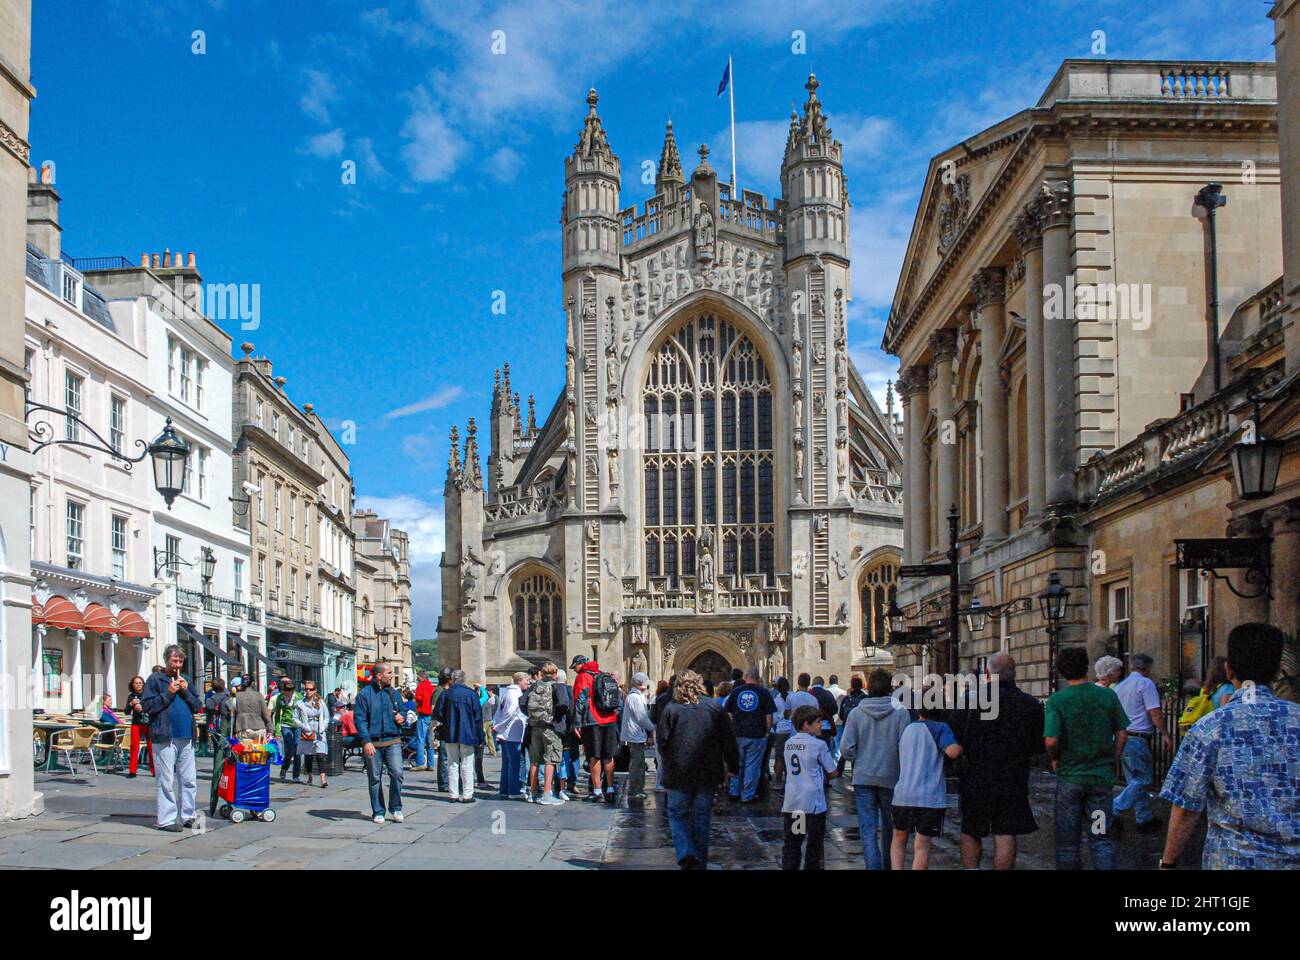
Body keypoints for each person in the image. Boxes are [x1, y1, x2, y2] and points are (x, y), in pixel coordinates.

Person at [1160, 623, 1300, 870]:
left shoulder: (1210, 727)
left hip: (1234, 861)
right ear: (1279, 670)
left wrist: (1168, 862)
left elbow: (1186, 807)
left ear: (1228, 669)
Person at [955, 653, 1045, 871]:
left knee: (971, 829)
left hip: (975, 775)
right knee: (1005, 831)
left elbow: (954, 736)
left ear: (987, 673)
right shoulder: (1030, 705)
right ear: (1015, 674)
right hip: (1012, 775)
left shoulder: (970, 700)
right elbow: (1037, 746)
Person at [1044, 646, 1129, 870]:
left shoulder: (1057, 700)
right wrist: (1113, 758)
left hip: (1070, 778)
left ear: (1061, 670)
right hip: (1100, 780)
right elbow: (1122, 734)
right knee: (1100, 838)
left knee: (1068, 842)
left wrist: (1055, 759)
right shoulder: (1107, 695)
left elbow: (1051, 740)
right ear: (1086, 666)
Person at [655, 670, 739, 869]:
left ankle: (685, 852)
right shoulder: (714, 707)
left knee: (677, 814)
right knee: (701, 818)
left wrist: (667, 763)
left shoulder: (671, 709)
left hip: (678, 773)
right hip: (708, 773)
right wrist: (733, 766)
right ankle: (699, 861)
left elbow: (662, 741)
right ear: (700, 685)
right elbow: (728, 740)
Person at [839, 668, 911, 870]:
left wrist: (860, 759)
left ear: (868, 687)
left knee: (868, 828)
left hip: (863, 779)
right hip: (891, 777)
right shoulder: (901, 713)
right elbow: (906, 746)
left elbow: (845, 748)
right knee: (890, 828)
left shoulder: (856, 713)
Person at [891, 700, 962, 870]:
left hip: (903, 794)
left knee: (899, 839)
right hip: (929, 797)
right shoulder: (940, 728)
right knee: (922, 846)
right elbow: (953, 752)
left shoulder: (908, 728)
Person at [139, 645, 204, 831]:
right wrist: (169, 692)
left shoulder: (186, 679)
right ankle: (166, 819)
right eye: (174, 661)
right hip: (165, 736)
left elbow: (197, 705)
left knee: (189, 778)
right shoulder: (155, 679)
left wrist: (185, 690)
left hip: (186, 736)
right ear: (166, 660)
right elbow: (148, 706)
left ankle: (188, 815)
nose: (177, 665)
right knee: (166, 779)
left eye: (180, 661)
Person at [1110, 652, 1169, 833]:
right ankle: (1113, 808)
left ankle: (1144, 818)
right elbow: (1154, 711)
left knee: (1134, 780)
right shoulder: (1146, 684)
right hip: (1137, 737)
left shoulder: (1120, 686)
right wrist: (1166, 734)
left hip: (1122, 736)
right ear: (1147, 668)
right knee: (1142, 780)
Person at [782, 705, 839, 870]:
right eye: (818, 722)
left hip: (794, 803)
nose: (821, 725)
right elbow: (833, 771)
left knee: (793, 843)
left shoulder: (789, 743)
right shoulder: (818, 745)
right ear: (806, 724)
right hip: (813, 805)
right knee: (814, 845)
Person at [354, 662, 409, 824]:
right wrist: (366, 741)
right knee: (374, 778)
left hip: (393, 740)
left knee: (397, 773)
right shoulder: (365, 694)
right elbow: (360, 719)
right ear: (379, 675)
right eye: (389, 673)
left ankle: (396, 807)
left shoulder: (393, 693)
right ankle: (378, 811)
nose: (392, 676)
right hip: (373, 743)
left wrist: (402, 717)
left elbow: (403, 710)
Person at [572, 655, 621, 803]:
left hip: (593, 721)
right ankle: (611, 789)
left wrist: (577, 723)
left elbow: (579, 700)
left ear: (581, 665)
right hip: (610, 720)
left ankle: (597, 791)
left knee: (594, 756)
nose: (574, 670)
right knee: (609, 756)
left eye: (575, 667)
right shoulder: (603, 674)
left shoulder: (583, 677)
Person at [724, 666, 776, 803]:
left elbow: (728, 713)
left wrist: (733, 727)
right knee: (752, 765)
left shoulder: (736, 692)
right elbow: (769, 716)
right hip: (757, 734)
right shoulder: (764, 693)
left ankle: (734, 791)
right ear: (758, 679)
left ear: (745, 677)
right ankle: (747, 794)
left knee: (737, 763)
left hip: (738, 734)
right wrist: (766, 731)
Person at [434, 669, 484, 802]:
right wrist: (480, 737)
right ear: (464, 679)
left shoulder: (446, 694)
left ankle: (453, 794)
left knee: (452, 763)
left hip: (450, 732)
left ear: (453, 679)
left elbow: (438, 714)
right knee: (467, 764)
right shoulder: (471, 694)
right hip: (468, 733)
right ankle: (467, 794)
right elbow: (478, 717)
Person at [524, 662, 564, 805]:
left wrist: (533, 717)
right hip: (549, 727)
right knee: (550, 759)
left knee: (535, 760)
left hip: (534, 727)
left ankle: (533, 793)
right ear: (555, 673)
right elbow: (563, 705)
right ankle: (547, 794)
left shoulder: (535, 686)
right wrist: (555, 718)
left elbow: (522, 702)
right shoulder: (556, 686)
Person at [492, 672, 529, 799]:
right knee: (514, 763)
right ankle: (513, 791)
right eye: (526, 680)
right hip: (512, 734)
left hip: (505, 734)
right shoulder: (515, 695)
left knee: (506, 763)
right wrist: (499, 727)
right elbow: (510, 714)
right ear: (519, 680)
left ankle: (504, 789)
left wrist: (497, 726)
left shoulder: (508, 693)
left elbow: (499, 712)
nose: (528, 683)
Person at [620, 671, 655, 801]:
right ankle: (635, 790)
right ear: (640, 683)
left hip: (637, 734)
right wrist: (652, 727)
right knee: (637, 764)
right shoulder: (634, 697)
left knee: (639, 763)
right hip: (635, 735)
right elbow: (641, 717)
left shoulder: (637, 696)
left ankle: (637, 788)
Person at [294, 681, 330, 788]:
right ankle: (310, 776)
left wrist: (324, 725)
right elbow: (294, 718)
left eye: (310, 689)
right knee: (308, 755)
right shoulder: (300, 703)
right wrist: (303, 726)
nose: (308, 691)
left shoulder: (320, 702)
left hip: (319, 731)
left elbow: (327, 716)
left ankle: (323, 779)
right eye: (306, 689)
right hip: (307, 731)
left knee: (320, 755)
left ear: (315, 690)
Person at [269, 678, 302, 782]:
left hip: (297, 725)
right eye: (287, 691)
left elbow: (303, 712)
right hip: (285, 725)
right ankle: (284, 769)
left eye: (291, 690)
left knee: (297, 750)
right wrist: (277, 730)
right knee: (290, 749)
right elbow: (277, 714)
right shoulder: (280, 698)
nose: (289, 693)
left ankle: (296, 775)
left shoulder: (299, 697)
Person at [124, 676, 155, 778]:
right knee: (134, 747)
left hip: (148, 723)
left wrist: (142, 706)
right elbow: (126, 712)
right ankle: (132, 771)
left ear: (143, 684)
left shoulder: (148, 695)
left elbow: (152, 706)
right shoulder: (131, 696)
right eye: (136, 683)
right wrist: (131, 703)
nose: (138, 685)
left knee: (151, 747)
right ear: (132, 684)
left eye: (140, 683)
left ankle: (154, 771)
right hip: (136, 723)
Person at [552, 669, 576, 800]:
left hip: (551, 728)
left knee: (550, 759)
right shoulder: (568, 690)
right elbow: (571, 710)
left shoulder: (550, 689)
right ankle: (562, 788)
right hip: (564, 729)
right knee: (563, 759)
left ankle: (550, 788)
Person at [770, 676, 795, 790]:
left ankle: (778, 782)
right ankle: (791, 781)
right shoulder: (793, 698)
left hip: (780, 731)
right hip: (792, 730)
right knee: (792, 757)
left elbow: (774, 720)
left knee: (779, 758)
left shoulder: (776, 701)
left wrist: (780, 718)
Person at [411, 669, 436, 771]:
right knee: (430, 739)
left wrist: (416, 705)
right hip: (431, 715)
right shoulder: (431, 686)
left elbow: (419, 698)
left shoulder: (421, 686)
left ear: (420, 677)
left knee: (420, 739)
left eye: (417, 677)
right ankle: (430, 764)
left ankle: (420, 762)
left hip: (423, 713)